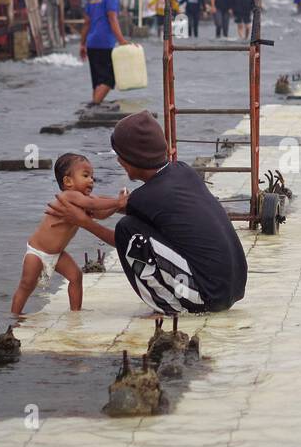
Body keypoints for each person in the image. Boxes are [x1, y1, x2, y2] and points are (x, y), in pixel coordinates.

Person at [46, 111, 247, 315]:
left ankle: (168, 305)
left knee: (128, 230)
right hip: (232, 287)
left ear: (133, 159)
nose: (118, 162)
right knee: (138, 226)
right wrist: (91, 205)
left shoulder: (147, 196)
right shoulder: (181, 170)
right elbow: (125, 205)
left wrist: (83, 221)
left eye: (120, 156)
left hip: (208, 296)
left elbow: (122, 240)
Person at [11, 153, 126, 314]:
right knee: (26, 285)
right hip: (37, 252)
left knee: (76, 276)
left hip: (57, 254)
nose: (91, 180)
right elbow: (94, 203)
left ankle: (76, 311)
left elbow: (100, 213)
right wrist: (117, 202)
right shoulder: (69, 196)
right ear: (68, 181)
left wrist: (115, 207)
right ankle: (15, 315)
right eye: (85, 175)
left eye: (92, 176)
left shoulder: (81, 201)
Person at [79, 0, 127, 105]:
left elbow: (86, 22)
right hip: (104, 43)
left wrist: (82, 44)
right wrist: (122, 41)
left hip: (91, 43)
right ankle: (93, 106)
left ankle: (94, 106)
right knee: (110, 79)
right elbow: (112, 18)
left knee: (98, 81)